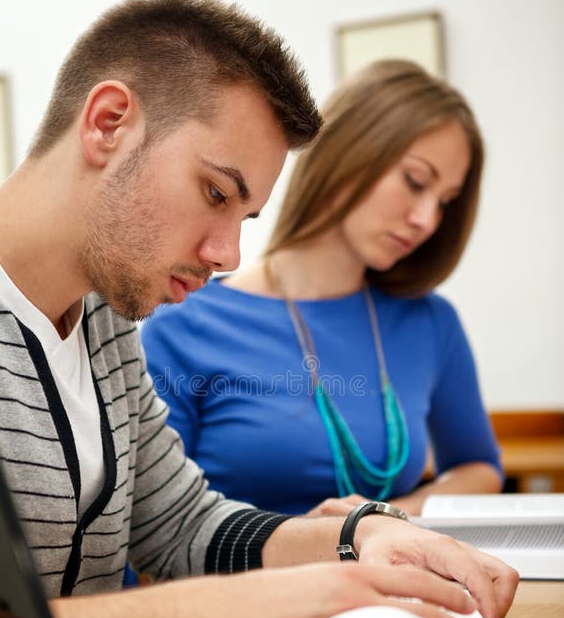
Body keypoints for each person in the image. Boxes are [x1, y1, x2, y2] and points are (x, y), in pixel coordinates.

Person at [0, 0, 517, 618]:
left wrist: (359, 537)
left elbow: (183, 525)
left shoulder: (102, 321)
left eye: (246, 214)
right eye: (215, 192)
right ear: (108, 124)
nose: (226, 254)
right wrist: (289, 601)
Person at [142, 59, 503, 519]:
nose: (427, 220)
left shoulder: (430, 323)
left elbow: (479, 467)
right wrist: (300, 546)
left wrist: (383, 520)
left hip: (384, 589)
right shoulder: (182, 323)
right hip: (241, 590)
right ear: (347, 154)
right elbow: (150, 536)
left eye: (445, 202)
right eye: (415, 182)